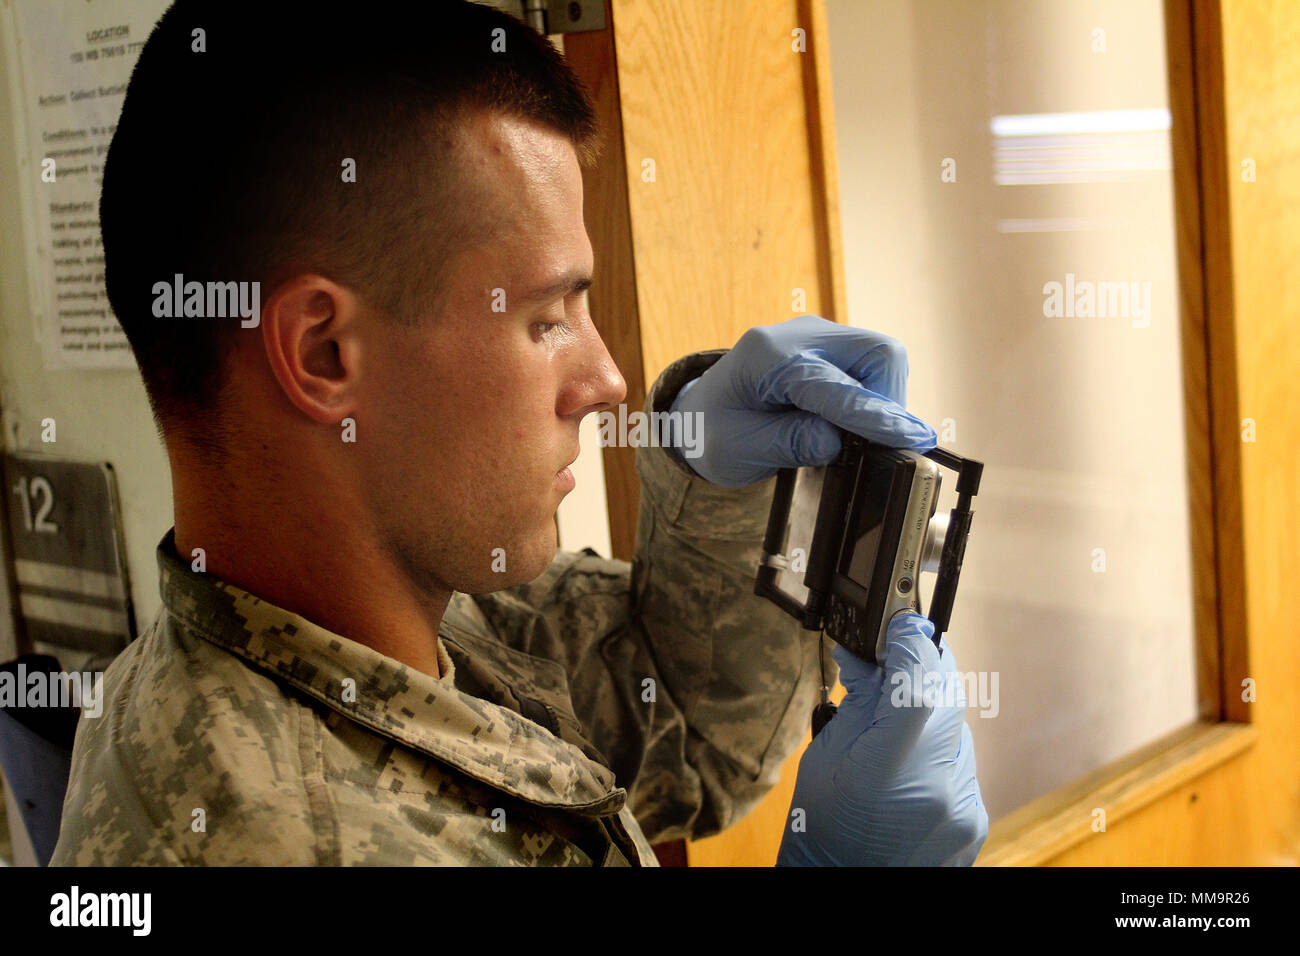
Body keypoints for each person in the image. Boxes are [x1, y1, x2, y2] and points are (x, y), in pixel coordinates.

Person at [51, 0, 985, 866]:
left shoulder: (381, 625)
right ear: (327, 354)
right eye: (547, 317)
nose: (606, 382)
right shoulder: (295, 840)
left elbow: (676, 724)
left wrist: (710, 479)